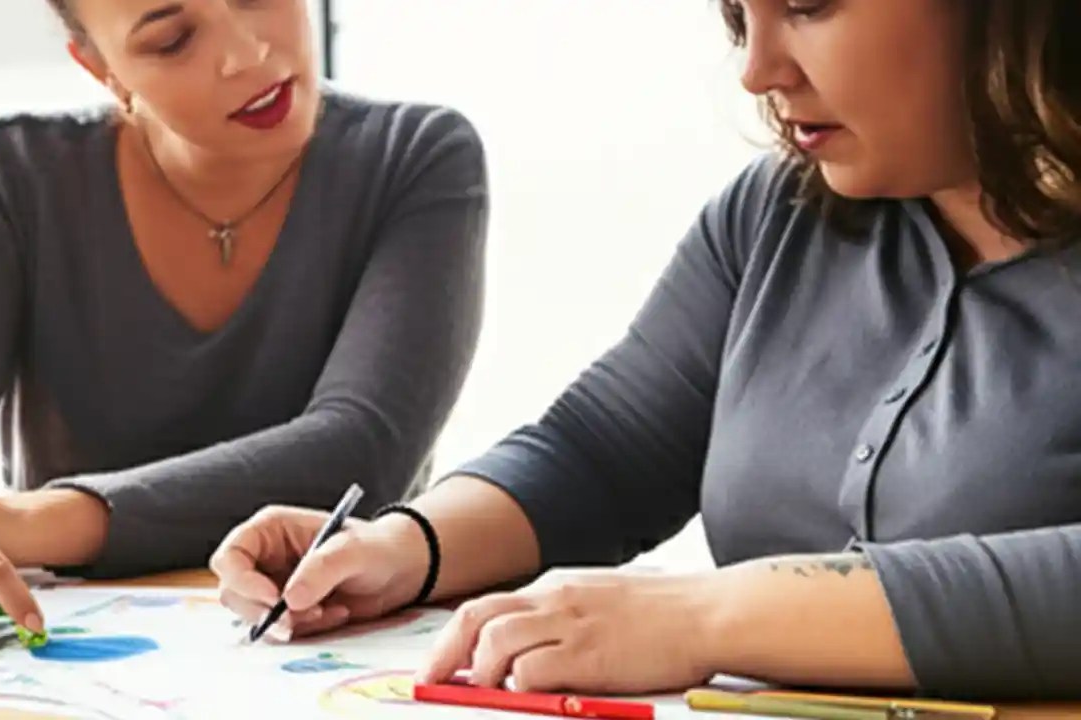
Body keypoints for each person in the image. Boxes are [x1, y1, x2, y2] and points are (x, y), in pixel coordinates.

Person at [212, 0, 1081, 701]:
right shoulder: (776, 213)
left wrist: (705, 619)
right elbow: (605, 451)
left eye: (808, 7)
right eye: (740, 15)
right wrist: (406, 547)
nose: (757, 71)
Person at [0, 0, 487, 648]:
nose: (247, 53)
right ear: (101, 69)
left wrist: (22, 522)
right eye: (172, 40)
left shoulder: (417, 158)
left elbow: (362, 452)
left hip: (331, 651)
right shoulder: (13, 180)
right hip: (62, 667)